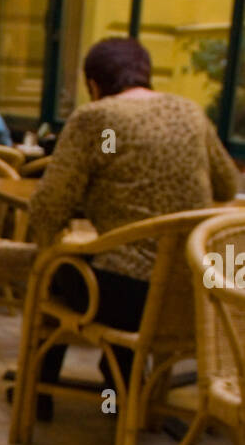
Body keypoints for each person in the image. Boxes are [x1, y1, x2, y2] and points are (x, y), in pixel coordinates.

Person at [24, 36, 240, 412]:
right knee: (113, 267)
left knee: (52, 269)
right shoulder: (190, 112)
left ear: (94, 84)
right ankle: (125, 385)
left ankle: (39, 396)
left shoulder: (97, 118)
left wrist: (59, 236)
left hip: (126, 299)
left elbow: (47, 209)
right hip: (195, 293)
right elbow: (225, 185)